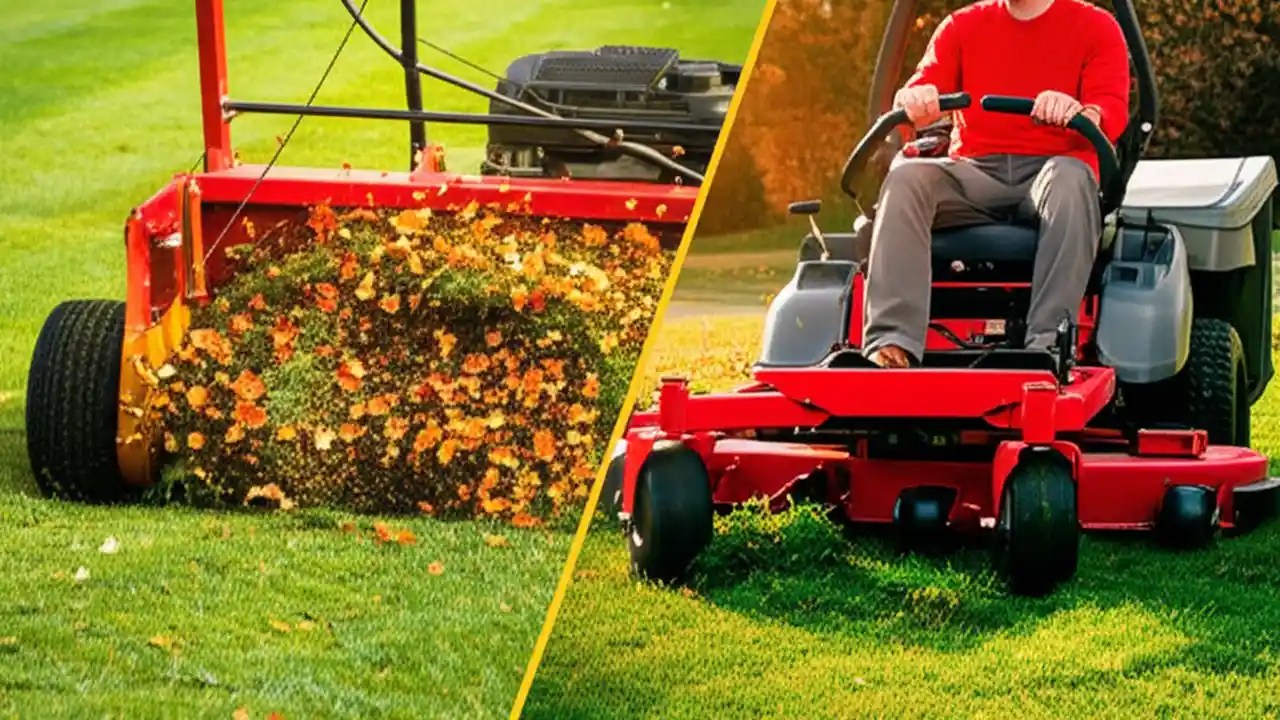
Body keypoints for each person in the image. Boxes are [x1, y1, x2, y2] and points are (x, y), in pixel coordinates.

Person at [862, 0, 1131, 368]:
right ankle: (891, 344)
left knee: (1071, 179)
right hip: (976, 170)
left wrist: (1079, 112)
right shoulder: (962, 26)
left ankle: (1046, 347)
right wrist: (914, 99)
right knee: (907, 177)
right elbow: (920, 92)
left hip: (1053, 173)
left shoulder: (1098, 27)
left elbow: (1108, 111)